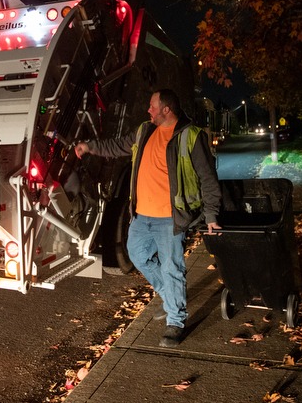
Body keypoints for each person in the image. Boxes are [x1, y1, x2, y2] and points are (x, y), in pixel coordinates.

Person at [75, 89, 221, 347]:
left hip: (170, 218)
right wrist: (90, 147)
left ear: (166, 109)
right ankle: (169, 296)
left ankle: (176, 322)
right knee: (138, 256)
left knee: (172, 268)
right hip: (142, 216)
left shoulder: (190, 136)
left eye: (152, 106)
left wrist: (211, 214)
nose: (148, 110)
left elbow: (208, 177)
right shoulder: (145, 130)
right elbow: (117, 146)